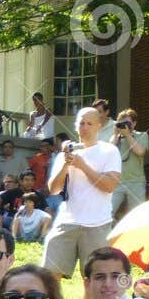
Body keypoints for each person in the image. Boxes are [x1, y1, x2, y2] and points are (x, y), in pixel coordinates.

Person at [42, 107, 122, 283]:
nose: (84, 127)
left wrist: (82, 166)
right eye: (81, 123)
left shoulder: (109, 151)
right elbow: (53, 189)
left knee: (94, 279)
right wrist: (66, 164)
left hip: (97, 223)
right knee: (50, 275)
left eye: (89, 123)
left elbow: (109, 186)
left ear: (99, 126)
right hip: (67, 221)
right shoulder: (67, 153)